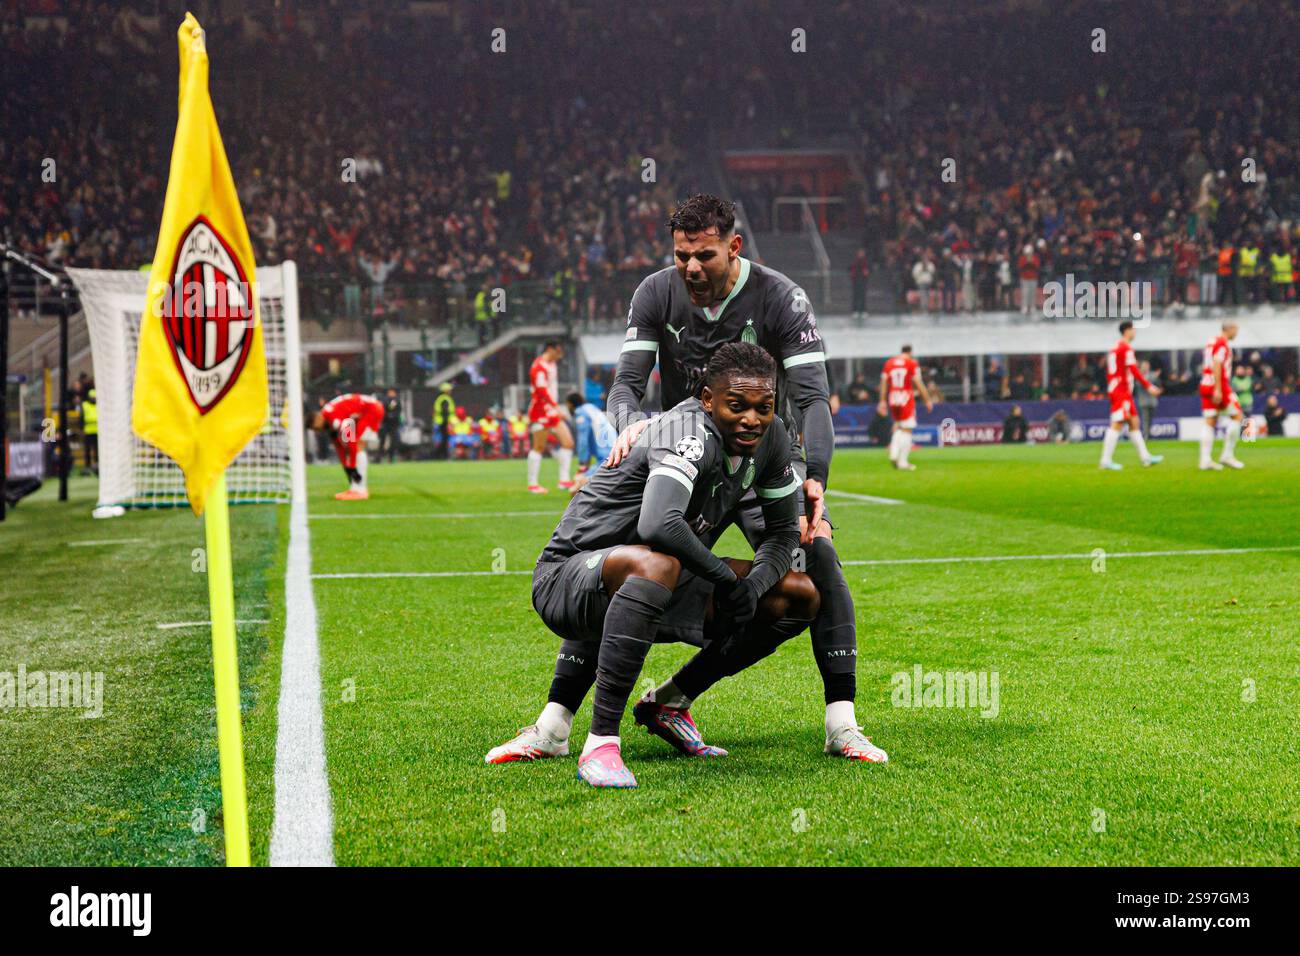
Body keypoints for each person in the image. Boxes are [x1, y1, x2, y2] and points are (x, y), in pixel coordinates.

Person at [604, 194, 885, 762]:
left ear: (733, 247)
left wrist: (816, 477)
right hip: (684, 466)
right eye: (682, 254)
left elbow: (811, 399)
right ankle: (561, 723)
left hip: (762, 467)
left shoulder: (782, 297)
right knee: (613, 565)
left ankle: (840, 725)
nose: (690, 268)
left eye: (703, 255)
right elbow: (626, 385)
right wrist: (630, 425)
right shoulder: (655, 292)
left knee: (816, 559)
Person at [486, 345, 817, 788]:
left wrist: (753, 587)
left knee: (798, 596)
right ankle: (600, 743)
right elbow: (658, 524)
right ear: (706, 399)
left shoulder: (772, 438)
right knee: (654, 562)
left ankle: (670, 702)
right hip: (566, 579)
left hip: (654, 574)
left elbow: (781, 536)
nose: (751, 419)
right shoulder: (687, 429)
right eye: (736, 405)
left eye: (764, 406)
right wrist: (725, 580)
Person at [1100, 321, 1163, 470]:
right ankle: (1105, 460)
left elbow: (1112, 371)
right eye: (1133, 329)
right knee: (1117, 423)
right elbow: (1134, 370)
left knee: (1134, 422)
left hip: (1119, 389)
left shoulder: (1115, 347)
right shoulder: (1125, 348)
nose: (1135, 332)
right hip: (1121, 390)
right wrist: (1149, 387)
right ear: (1127, 331)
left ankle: (1145, 458)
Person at [311, 392, 385, 500]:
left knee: (358, 446)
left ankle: (361, 490)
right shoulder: (329, 417)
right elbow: (340, 447)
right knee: (352, 447)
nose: (318, 431)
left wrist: (352, 468)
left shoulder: (333, 418)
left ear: (318, 419)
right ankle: (354, 489)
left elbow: (351, 441)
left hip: (372, 410)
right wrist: (347, 468)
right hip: (363, 412)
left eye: (316, 428)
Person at [526, 341, 575, 493]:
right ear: (550, 349)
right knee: (538, 447)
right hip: (540, 411)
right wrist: (556, 407)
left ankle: (564, 480)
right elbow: (541, 392)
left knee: (568, 443)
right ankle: (533, 484)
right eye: (558, 352)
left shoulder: (552, 364)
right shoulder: (538, 367)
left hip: (552, 411)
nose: (559, 356)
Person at [1199, 320, 1246, 470]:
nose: (1237, 333)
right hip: (1218, 384)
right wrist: (1218, 389)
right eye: (1236, 330)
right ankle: (1227, 455)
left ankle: (1205, 460)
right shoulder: (1221, 343)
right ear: (1230, 329)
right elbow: (1217, 364)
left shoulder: (1211, 341)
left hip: (1206, 383)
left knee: (1210, 421)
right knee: (1238, 416)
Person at [878, 344, 934, 470]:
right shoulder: (911, 363)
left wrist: (882, 401)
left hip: (893, 397)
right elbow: (918, 383)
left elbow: (883, 383)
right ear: (910, 352)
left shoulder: (889, 363)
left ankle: (894, 452)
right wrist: (927, 400)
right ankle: (902, 460)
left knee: (899, 426)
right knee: (907, 429)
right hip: (905, 397)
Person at [565, 391, 617, 492]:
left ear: (570, 404)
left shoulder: (581, 413)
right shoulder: (591, 408)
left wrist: (582, 464)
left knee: (577, 488)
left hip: (606, 457)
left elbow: (583, 441)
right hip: (614, 449)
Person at [432, 383, 455, 460]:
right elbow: (445, 412)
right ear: (446, 390)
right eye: (449, 389)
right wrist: (448, 423)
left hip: (440, 422)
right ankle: (440, 455)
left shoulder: (441, 398)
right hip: (443, 422)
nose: (451, 391)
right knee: (444, 440)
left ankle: (440, 455)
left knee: (443, 439)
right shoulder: (445, 399)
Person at [378, 388, 401, 463]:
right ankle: (379, 457)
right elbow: (382, 410)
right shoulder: (384, 400)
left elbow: (398, 411)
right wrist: (387, 416)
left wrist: (392, 415)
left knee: (394, 441)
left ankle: (391, 457)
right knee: (382, 440)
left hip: (393, 424)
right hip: (385, 423)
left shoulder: (396, 400)